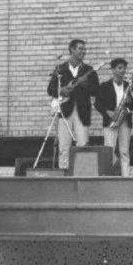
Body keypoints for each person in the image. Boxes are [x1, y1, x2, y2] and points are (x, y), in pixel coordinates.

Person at [47, 39, 98, 170]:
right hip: (64, 111)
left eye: (84, 49)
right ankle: (63, 174)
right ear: (72, 50)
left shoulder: (89, 70)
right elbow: (50, 89)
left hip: (83, 112)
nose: (83, 51)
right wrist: (62, 90)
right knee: (64, 147)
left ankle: (82, 174)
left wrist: (86, 84)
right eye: (80, 48)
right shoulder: (60, 68)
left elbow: (96, 90)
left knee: (83, 145)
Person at [94, 58, 133, 176]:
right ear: (113, 70)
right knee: (109, 150)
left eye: (124, 68)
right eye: (119, 68)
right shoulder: (104, 86)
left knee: (124, 151)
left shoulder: (129, 86)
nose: (123, 70)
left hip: (125, 121)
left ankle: (126, 176)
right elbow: (97, 103)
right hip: (110, 121)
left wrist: (131, 100)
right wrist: (107, 112)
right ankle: (108, 176)